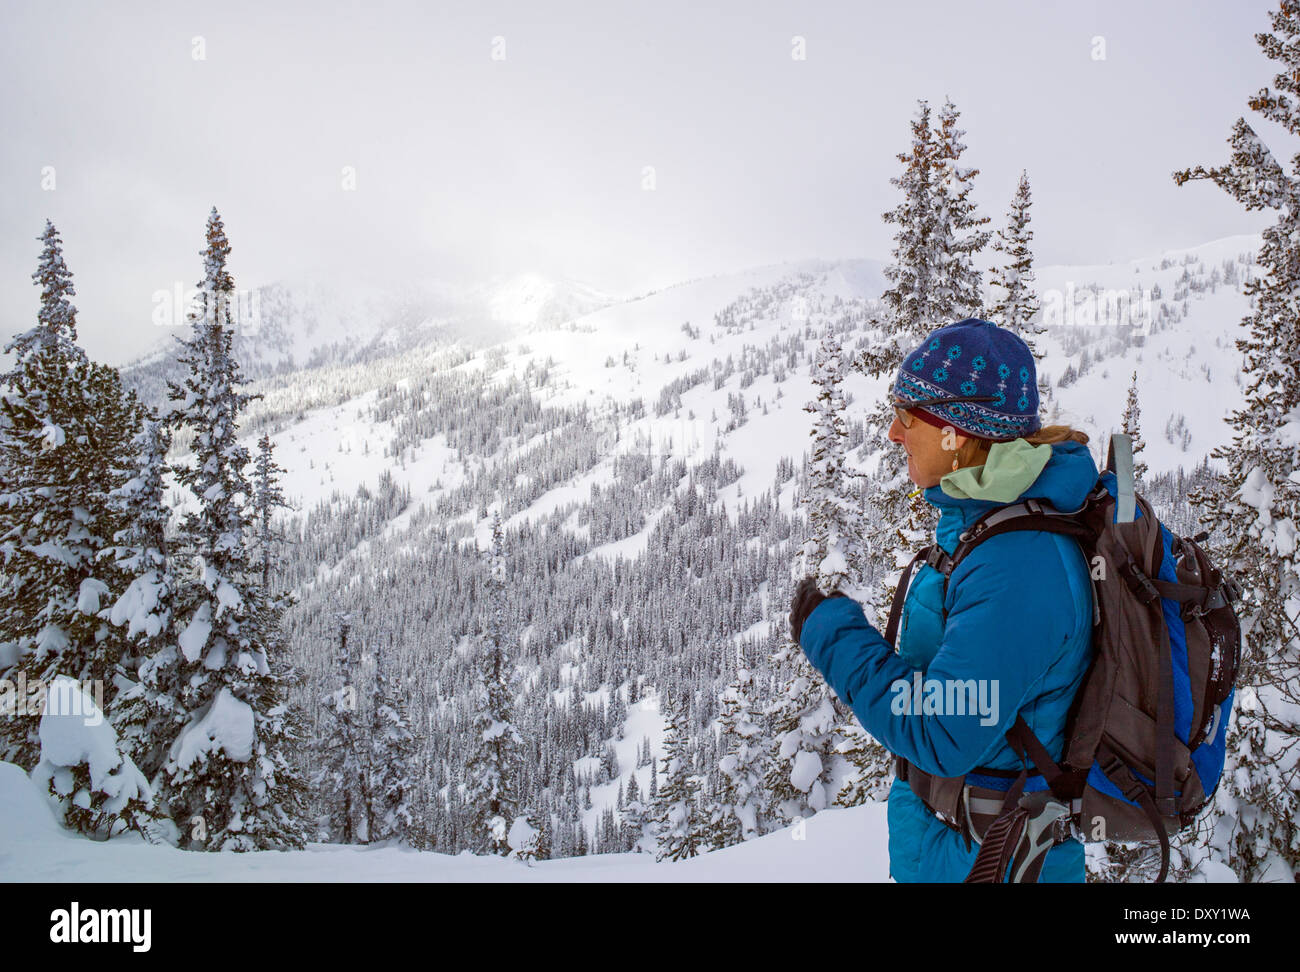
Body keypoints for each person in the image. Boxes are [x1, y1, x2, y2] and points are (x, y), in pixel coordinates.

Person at [789, 317, 1097, 883]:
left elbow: (944, 730)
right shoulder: (988, 528)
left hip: (997, 863)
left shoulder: (1021, 563)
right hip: (963, 852)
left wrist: (831, 633)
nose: (892, 433)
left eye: (908, 417)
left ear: (960, 431)